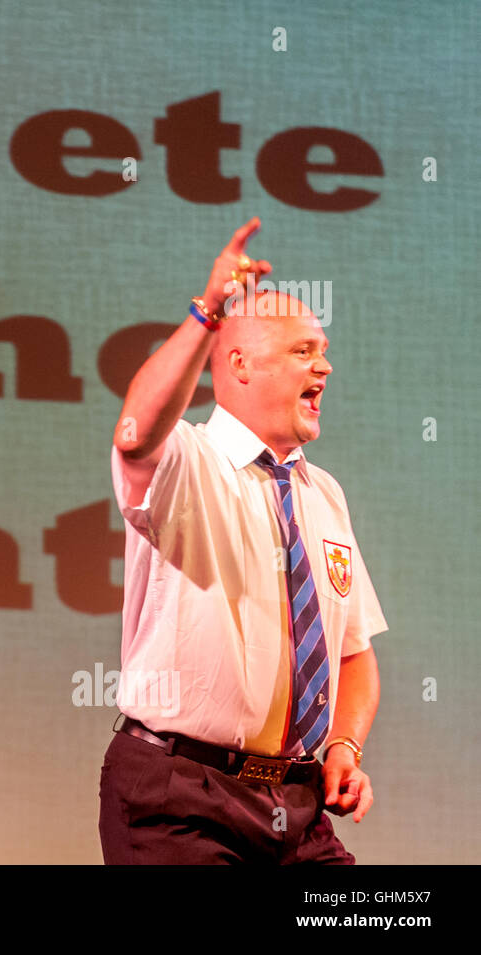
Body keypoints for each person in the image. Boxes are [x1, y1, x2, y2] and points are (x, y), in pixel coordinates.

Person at [101, 217, 387, 864]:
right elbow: (133, 431)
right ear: (239, 364)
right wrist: (207, 312)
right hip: (179, 798)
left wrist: (344, 747)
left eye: (324, 349)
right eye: (304, 351)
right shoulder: (186, 462)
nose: (326, 364)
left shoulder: (323, 494)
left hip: (295, 802)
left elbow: (353, 655)